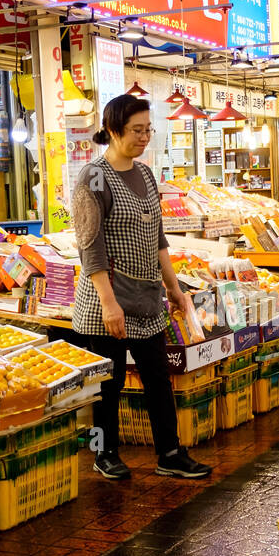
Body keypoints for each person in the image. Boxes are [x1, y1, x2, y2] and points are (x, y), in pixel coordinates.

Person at [71, 95, 212, 481]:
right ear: (112, 129)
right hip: (107, 300)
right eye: (136, 130)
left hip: (147, 298)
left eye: (148, 129)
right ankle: (104, 453)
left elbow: (159, 238)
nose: (144, 136)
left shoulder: (146, 174)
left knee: (158, 379)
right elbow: (90, 246)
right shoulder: (94, 177)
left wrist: (174, 288)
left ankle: (170, 453)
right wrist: (108, 303)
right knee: (108, 384)